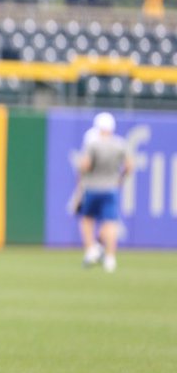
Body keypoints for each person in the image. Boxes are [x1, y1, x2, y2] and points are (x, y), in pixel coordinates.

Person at [78, 112, 132, 273]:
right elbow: (129, 165)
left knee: (87, 219)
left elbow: (85, 165)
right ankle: (110, 257)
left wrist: (82, 167)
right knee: (110, 222)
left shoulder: (93, 143)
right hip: (111, 187)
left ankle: (91, 250)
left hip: (92, 187)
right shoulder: (120, 144)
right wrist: (120, 178)